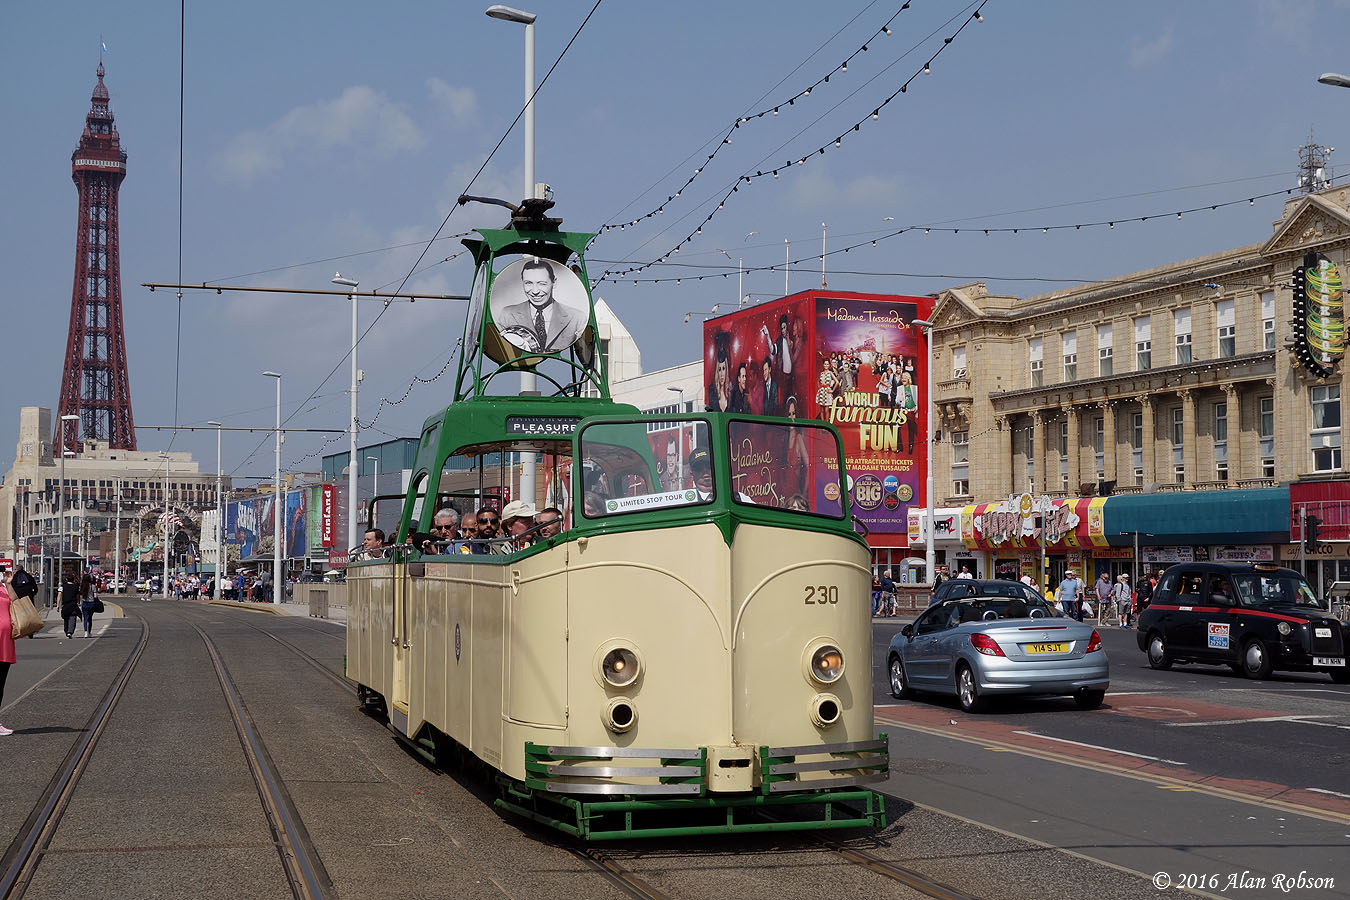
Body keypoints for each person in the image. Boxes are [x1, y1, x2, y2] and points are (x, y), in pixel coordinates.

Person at [493, 257, 585, 353]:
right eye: (528, 283)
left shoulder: (576, 318)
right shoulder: (507, 315)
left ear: (554, 282)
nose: (535, 291)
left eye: (542, 284)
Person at [0, 570, 16, 735]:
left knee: (0, 684)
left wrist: (8, 584)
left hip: (5, 643)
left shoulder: (3, 588)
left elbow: (15, 602)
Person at [898, 370, 919, 454]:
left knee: (912, 429)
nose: (903, 379)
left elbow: (918, 399)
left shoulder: (914, 388)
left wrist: (917, 406)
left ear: (908, 379)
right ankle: (900, 447)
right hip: (903, 411)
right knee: (898, 427)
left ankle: (911, 446)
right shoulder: (899, 388)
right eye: (902, 378)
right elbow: (897, 401)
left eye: (905, 378)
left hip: (911, 411)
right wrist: (902, 399)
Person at [60, 572, 81, 639]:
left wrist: (57, 605)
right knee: (72, 618)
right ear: (73, 579)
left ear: (67, 579)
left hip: (65, 605)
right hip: (73, 605)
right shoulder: (76, 586)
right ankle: (70, 632)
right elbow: (78, 596)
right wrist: (78, 602)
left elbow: (59, 595)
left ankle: (66, 631)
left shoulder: (63, 586)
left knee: (66, 619)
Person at [80, 570, 99, 638]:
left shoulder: (82, 586)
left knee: (85, 618)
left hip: (84, 603)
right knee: (90, 618)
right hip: (91, 603)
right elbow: (95, 596)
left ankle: (85, 632)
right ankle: (89, 632)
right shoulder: (93, 586)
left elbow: (80, 594)